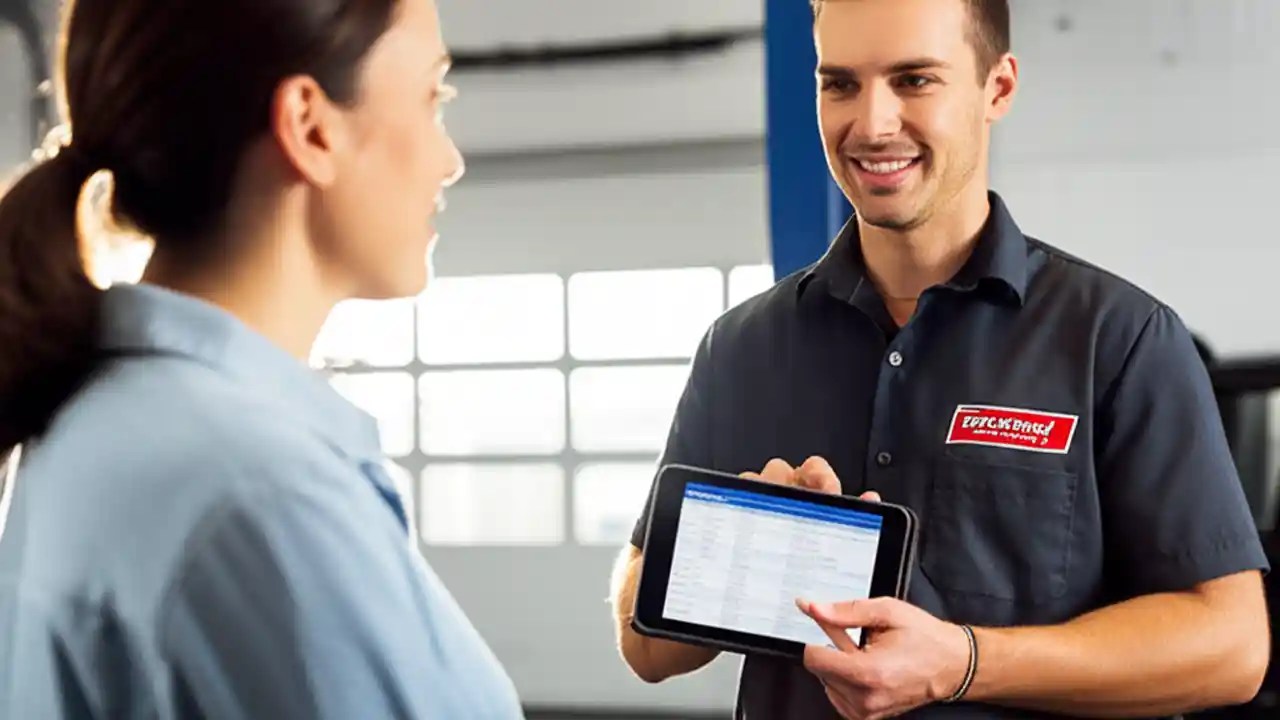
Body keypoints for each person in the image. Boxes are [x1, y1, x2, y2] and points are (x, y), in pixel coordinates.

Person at [610, 0, 1271, 718]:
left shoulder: (1117, 340)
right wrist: (742, 550)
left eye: (915, 80)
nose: (872, 123)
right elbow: (644, 647)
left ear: (999, 88)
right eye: (840, 84)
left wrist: (966, 663)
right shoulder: (742, 348)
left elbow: (1230, 646)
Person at [0, 0, 524, 717]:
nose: (450, 160)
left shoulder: (99, 415)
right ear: (310, 126)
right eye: (435, 97)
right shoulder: (256, 487)